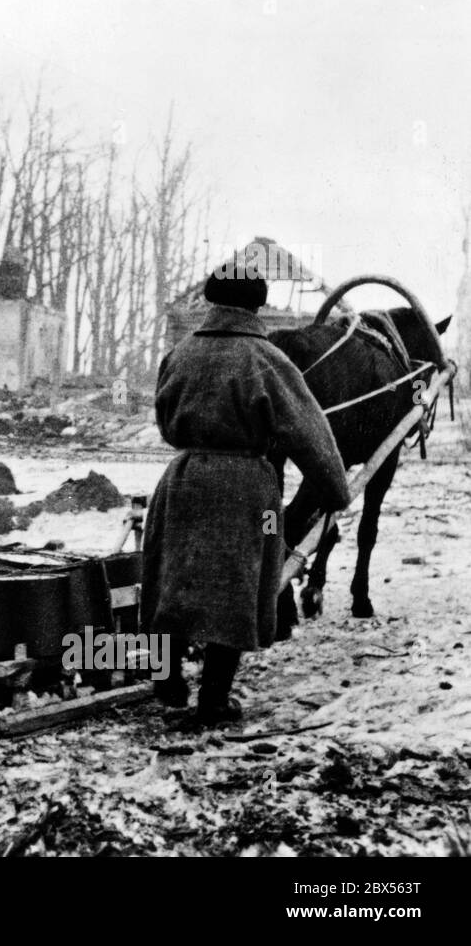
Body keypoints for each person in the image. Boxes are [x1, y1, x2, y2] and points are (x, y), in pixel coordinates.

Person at [141, 255, 349, 727]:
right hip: (244, 485)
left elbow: (162, 418)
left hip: (182, 477)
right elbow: (309, 431)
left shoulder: (181, 353)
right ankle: (213, 699)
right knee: (234, 586)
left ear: (212, 297)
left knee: (173, 577)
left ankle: (167, 677)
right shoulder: (267, 359)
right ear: (259, 304)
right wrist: (335, 490)